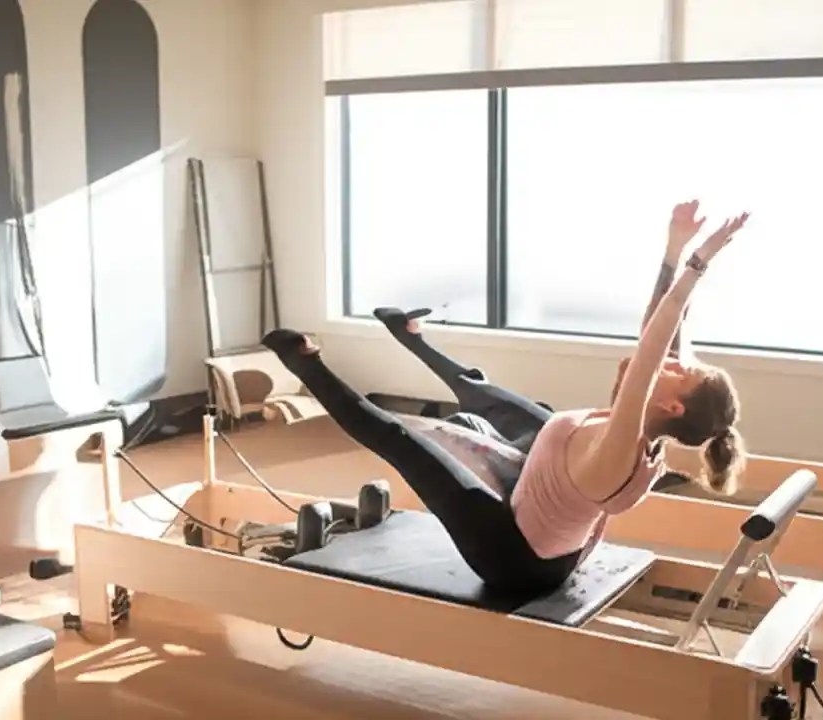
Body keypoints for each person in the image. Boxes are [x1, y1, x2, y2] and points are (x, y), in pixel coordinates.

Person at [262, 202, 750, 596]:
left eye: (682, 371)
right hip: (545, 520)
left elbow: (653, 345)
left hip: (515, 559)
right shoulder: (645, 428)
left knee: (399, 441)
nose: (672, 361)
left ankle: (305, 363)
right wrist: (673, 250)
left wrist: (697, 264)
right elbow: (661, 332)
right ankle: (407, 348)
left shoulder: (626, 440)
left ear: (674, 406)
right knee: (490, 407)